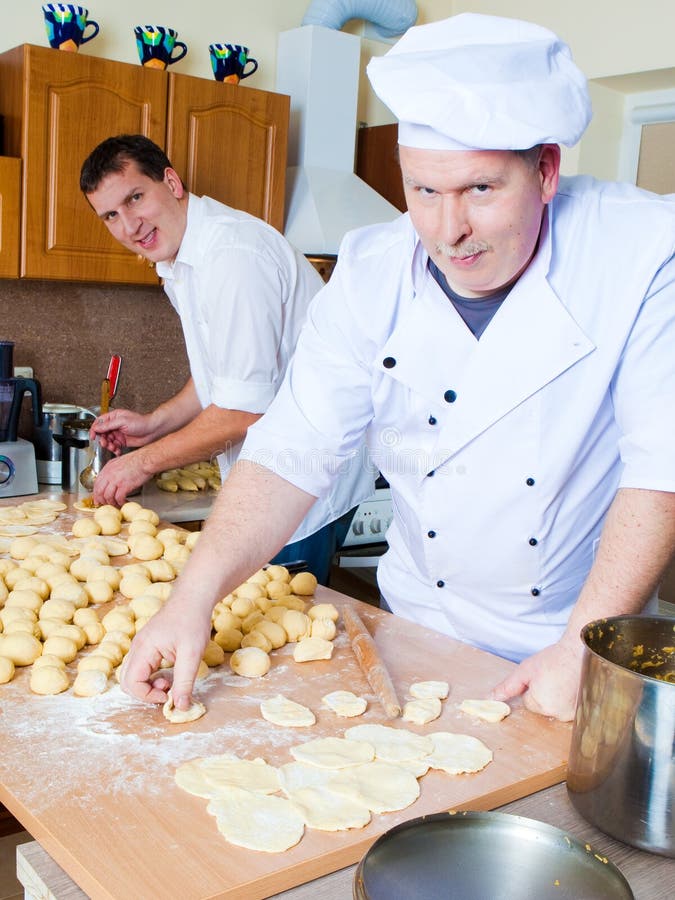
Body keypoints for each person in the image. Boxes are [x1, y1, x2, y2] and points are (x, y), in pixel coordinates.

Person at [119, 15, 675, 721]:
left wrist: (578, 648)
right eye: (422, 191)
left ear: (544, 171)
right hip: (415, 626)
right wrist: (190, 599)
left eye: (479, 189)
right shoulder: (370, 270)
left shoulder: (640, 252)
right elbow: (289, 452)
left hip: (565, 636)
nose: (448, 232)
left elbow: (660, 471)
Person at [79, 135, 375, 583]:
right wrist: (154, 424)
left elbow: (240, 411)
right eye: (111, 216)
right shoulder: (181, 262)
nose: (129, 226)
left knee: (281, 634)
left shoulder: (232, 258)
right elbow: (225, 378)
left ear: (172, 182)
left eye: (135, 198)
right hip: (269, 480)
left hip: (303, 486)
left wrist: (140, 462)